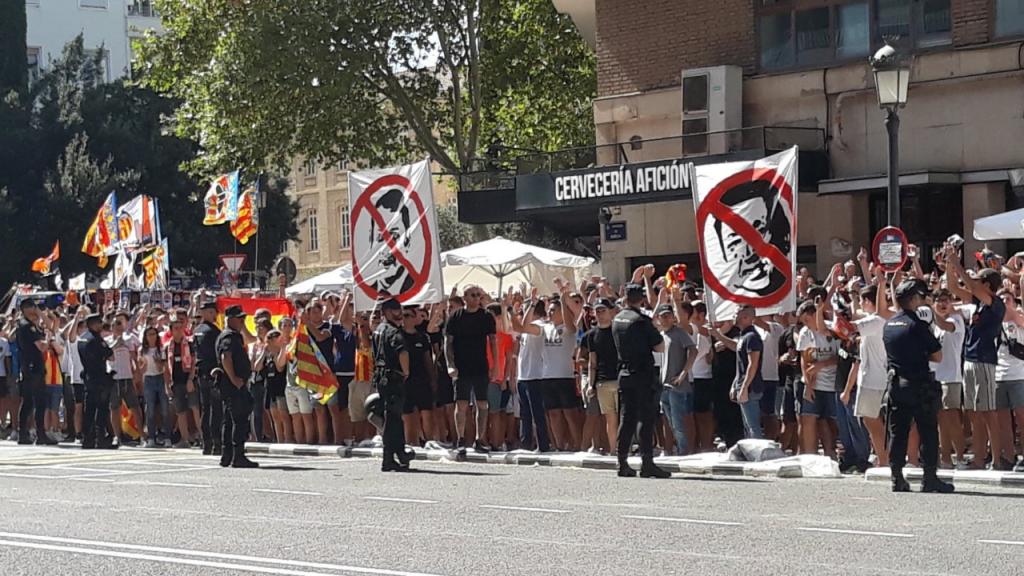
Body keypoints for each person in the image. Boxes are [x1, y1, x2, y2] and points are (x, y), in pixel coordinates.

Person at [882, 279, 953, 493]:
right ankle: (929, 478)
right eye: (920, 297)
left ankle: (896, 477)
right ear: (913, 299)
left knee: (898, 432)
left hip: (896, 384)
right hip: (919, 383)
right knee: (928, 431)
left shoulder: (889, 325)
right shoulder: (917, 325)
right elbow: (938, 356)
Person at [946, 253, 1005, 470]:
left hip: (985, 361)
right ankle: (979, 458)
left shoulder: (995, 304)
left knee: (989, 412)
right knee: (973, 412)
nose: (973, 282)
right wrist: (948, 265)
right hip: (969, 359)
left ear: (987, 285)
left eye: (979, 280)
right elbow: (953, 288)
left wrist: (958, 264)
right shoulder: (978, 303)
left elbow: (969, 285)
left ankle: (997, 459)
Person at [611, 284, 669, 478]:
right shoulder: (641, 321)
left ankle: (622, 462)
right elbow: (660, 347)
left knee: (626, 418)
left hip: (624, 373)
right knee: (646, 418)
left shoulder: (617, 319)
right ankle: (647, 462)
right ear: (642, 299)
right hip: (642, 374)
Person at [444, 285, 497, 455]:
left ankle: (480, 439)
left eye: (479, 295)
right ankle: (460, 439)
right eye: (473, 295)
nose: (476, 298)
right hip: (461, 366)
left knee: (482, 404)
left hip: (480, 365)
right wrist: (450, 364)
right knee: (461, 404)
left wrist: (495, 365)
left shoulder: (486, 316)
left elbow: (493, 341)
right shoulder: (455, 316)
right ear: (465, 297)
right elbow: (448, 343)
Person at [215, 305, 259, 468]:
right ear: (231, 319)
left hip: (230, 384)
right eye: (240, 319)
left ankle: (227, 455)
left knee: (229, 419)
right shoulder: (230, 337)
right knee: (239, 420)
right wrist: (234, 379)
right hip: (233, 385)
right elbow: (226, 357)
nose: (243, 322)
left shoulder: (232, 335)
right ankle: (237, 456)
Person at [372, 298, 412, 472]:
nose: (399, 313)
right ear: (387, 312)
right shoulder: (392, 331)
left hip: (381, 377)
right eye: (395, 310)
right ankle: (390, 457)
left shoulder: (378, 330)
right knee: (393, 419)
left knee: (393, 418)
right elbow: (402, 352)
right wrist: (406, 372)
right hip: (393, 378)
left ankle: (397, 453)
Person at [929, 288, 966, 468]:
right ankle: (945, 457)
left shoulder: (956, 320)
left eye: (946, 301)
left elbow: (945, 325)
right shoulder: (934, 326)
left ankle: (960, 456)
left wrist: (930, 310)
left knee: (952, 418)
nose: (943, 304)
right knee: (941, 420)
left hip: (951, 377)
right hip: (936, 376)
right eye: (939, 301)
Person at [655, 300, 697, 455]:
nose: (665, 319)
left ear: (673, 317)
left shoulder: (679, 333)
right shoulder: (661, 335)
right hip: (664, 384)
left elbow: (693, 351)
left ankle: (683, 450)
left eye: (668, 316)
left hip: (676, 384)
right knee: (670, 421)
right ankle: (679, 448)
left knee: (678, 421)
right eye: (662, 316)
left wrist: (683, 373)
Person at [15, 299, 57, 445]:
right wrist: (48, 338)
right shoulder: (27, 326)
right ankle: (40, 434)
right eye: (33, 308)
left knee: (28, 402)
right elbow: (42, 346)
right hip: (33, 367)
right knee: (39, 401)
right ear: (28, 309)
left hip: (30, 367)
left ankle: (24, 433)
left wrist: (40, 313)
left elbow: (50, 325)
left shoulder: (25, 324)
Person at [586, 298, 620, 454]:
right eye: (597, 311)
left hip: (620, 378)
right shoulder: (592, 335)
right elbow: (592, 362)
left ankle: (624, 447)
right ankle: (614, 449)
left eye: (603, 310)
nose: (600, 314)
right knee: (610, 418)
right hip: (602, 381)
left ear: (611, 311)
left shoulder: (619, 330)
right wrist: (590, 384)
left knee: (624, 416)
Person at [78, 314, 116, 449]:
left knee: (88, 410)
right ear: (93, 324)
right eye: (100, 323)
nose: (101, 325)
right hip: (99, 378)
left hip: (88, 377)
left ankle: (87, 439)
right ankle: (101, 439)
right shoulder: (96, 339)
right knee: (101, 410)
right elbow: (111, 356)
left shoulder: (82, 339)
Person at [193, 302, 223, 455]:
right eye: (211, 312)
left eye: (214, 312)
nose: (214, 315)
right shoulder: (214, 331)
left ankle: (207, 443)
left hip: (201, 373)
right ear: (204, 313)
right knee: (215, 409)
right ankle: (216, 442)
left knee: (205, 409)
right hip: (212, 373)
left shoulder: (197, 331)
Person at [165, 317, 196, 449]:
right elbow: (165, 367)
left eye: (181, 327)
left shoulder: (189, 344)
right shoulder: (167, 346)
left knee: (195, 408)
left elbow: (194, 362)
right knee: (181, 411)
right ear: (171, 331)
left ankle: (201, 435)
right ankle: (185, 438)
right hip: (175, 382)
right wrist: (167, 385)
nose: (179, 331)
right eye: (175, 328)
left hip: (188, 380)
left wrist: (190, 379)